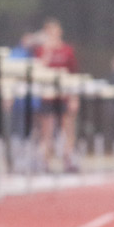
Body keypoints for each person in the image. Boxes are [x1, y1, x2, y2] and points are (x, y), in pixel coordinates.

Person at [33, 19, 79, 173]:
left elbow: (73, 74)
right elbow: (38, 70)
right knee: (47, 130)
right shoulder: (41, 50)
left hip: (64, 95)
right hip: (47, 96)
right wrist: (47, 51)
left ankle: (68, 159)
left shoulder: (67, 50)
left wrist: (74, 97)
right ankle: (44, 161)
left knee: (68, 129)